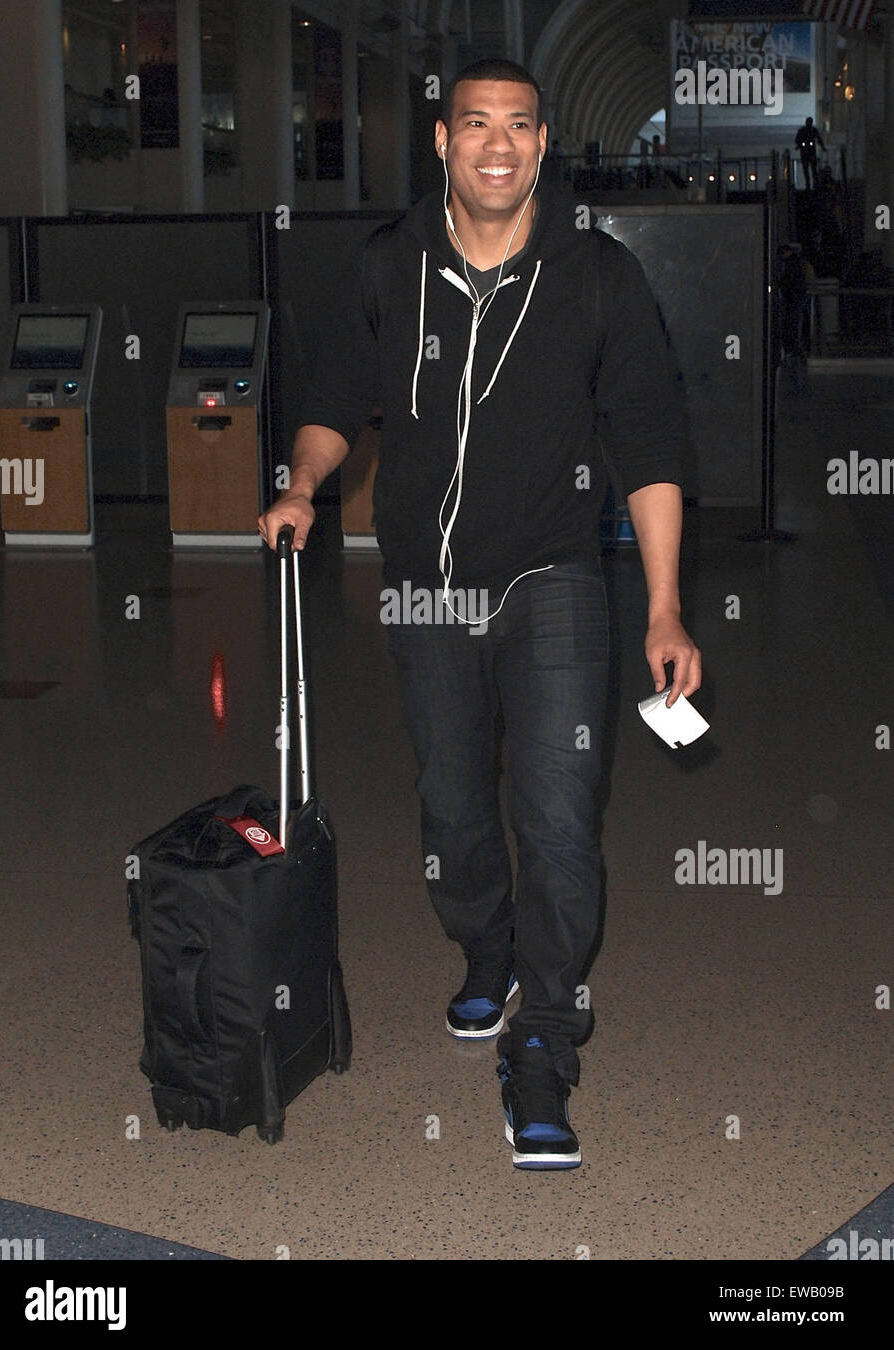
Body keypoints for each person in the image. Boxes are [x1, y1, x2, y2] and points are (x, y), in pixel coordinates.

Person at [259, 58, 701, 1171]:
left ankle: (546, 1038)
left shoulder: (597, 277)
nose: (495, 144)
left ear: (544, 143)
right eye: (473, 124)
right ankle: (486, 949)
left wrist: (663, 607)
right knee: (453, 811)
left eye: (517, 125)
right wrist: (304, 483)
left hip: (555, 576)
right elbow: (328, 408)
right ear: (443, 141)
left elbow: (647, 450)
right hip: (425, 584)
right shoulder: (384, 267)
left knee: (556, 811)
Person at [794, 117, 826, 191]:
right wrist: (800, 145)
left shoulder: (813, 130)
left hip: (811, 153)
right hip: (805, 152)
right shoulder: (802, 130)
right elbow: (797, 139)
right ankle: (808, 185)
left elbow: (819, 139)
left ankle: (814, 184)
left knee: (813, 170)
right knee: (806, 170)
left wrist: (823, 147)